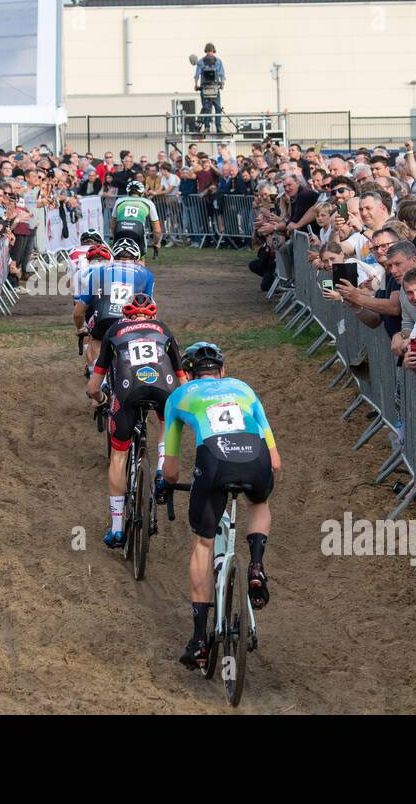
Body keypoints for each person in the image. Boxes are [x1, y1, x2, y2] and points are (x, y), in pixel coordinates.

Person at [161, 342, 280, 670]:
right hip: (255, 458)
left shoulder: (179, 397)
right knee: (259, 503)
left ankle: (200, 640)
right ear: (223, 371)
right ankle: (256, 565)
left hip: (214, 461)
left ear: (186, 374)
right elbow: (276, 461)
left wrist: (167, 485)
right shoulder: (243, 388)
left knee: (203, 542)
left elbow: (170, 470)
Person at [84, 293, 185, 549]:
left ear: (126, 314)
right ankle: (162, 466)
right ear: (152, 315)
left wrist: (99, 397)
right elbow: (183, 380)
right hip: (165, 389)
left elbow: (94, 385)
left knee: (118, 456)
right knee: (166, 419)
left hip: (127, 393)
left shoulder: (115, 330)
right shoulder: (163, 328)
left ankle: (117, 528)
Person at [73, 238, 155, 372]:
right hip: (130, 319)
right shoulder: (147, 274)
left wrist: (81, 329)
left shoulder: (99, 271)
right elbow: (149, 305)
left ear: (114, 255)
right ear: (137, 257)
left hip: (104, 319)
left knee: (96, 340)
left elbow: (78, 312)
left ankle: (97, 377)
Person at [110, 180, 162, 257]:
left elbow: (112, 223)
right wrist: (156, 243)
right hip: (138, 230)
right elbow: (157, 230)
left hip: (120, 229)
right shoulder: (148, 203)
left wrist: (116, 236)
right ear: (142, 193)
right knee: (140, 257)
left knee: (118, 256)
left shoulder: (119, 201)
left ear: (128, 192)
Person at [193, 43, 225, 134]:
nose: (209, 53)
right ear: (205, 51)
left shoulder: (218, 61)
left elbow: (222, 74)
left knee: (218, 108)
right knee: (206, 108)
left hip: (215, 87)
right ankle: (207, 127)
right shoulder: (200, 62)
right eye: (208, 51)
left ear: (213, 51)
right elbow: (197, 74)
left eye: (211, 51)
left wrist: (222, 84)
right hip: (204, 87)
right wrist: (196, 84)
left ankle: (218, 127)